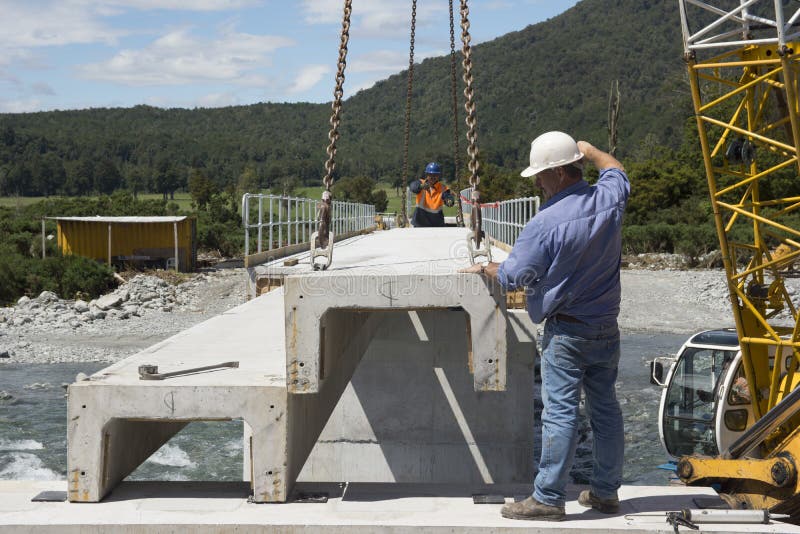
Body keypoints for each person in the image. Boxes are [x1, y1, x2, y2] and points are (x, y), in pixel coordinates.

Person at [461, 131, 629, 521]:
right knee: (605, 409)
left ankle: (548, 497)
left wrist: (487, 266)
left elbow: (514, 277)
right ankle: (605, 492)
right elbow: (616, 170)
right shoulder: (609, 198)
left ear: (556, 173)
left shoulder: (545, 222)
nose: (536, 182)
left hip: (568, 331)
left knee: (560, 413)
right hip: (606, 327)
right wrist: (591, 150)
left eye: (539, 175)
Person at [408, 161, 455, 227]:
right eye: (430, 175)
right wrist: (421, 186)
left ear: (438, 176)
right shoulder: (420, 183)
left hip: (437, 224)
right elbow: (413, 187)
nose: (432, 177)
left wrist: (449, 200)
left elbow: (447, 196)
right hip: (420, 223)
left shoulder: (443, 188)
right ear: (427, 175)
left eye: (435, 175)